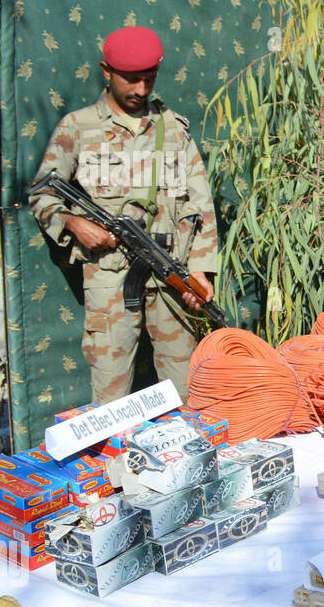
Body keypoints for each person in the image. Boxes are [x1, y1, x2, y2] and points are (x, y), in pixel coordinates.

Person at [29, 26, 219, 404]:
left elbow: (202, 203)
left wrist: (201, 270)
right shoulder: (78, 128)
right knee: (110, 392)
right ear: (106, 70)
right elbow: (41, 192)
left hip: (170, 276)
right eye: (131, 79)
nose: (141, 90)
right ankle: (110, 461)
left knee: (184, 389)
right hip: (108, 278)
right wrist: (72, 222)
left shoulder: (173, 129)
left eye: (150, 79)